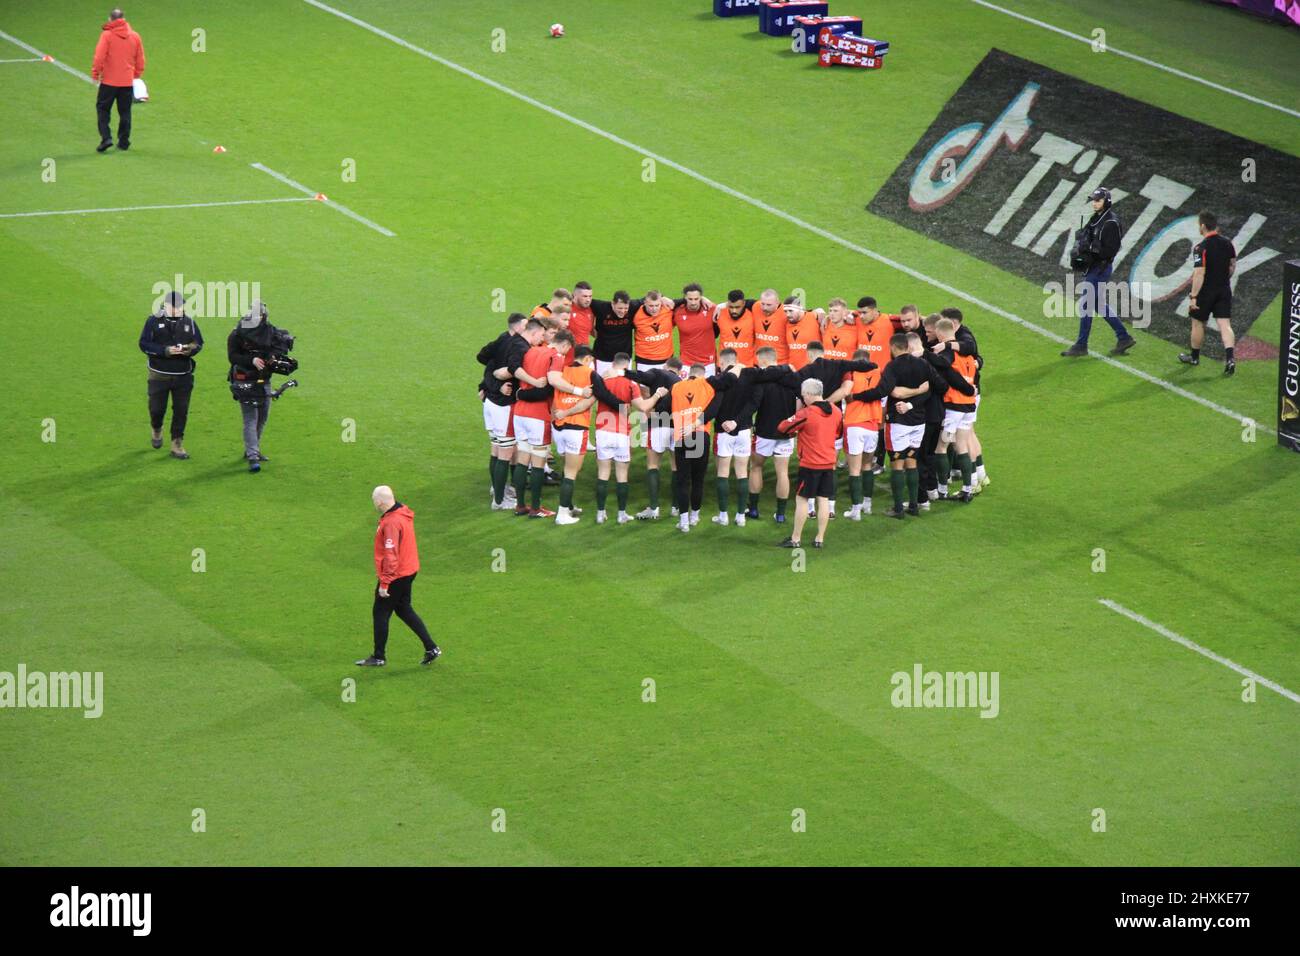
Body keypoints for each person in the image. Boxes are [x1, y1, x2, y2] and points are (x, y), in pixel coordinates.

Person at [356, 486, 441, 668]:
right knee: (403, 609)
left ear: (379, 501)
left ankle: (379, 656)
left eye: (374, 500)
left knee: (380, 612)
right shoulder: (403, 512)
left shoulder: (391, 522)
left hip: (396, 574)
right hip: (409, 569)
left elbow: (391, 553)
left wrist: (385, 583)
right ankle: (431, 647)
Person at [511, 324, 587, 517]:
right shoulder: (556, 356)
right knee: (537, 463)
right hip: (538, 415)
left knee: (522, 460)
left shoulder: (531, 351)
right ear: (565, 345)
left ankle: (520, 505)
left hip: (519, 413)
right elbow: (554, 379)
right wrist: (578, 391)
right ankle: (535, 509)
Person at [589, 354, 666, 524]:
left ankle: (600, 514)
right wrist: (658, 395)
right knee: (622, 475)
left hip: (603, 430)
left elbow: (590, 401)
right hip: (622, 433)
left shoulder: (603, 380)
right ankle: (621, 514)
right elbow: (644, 406)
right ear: (627, 365)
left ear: (613, 364)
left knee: (603, 473)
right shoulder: (631, 383)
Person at [1060, 187, 1136, 358]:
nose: (1094, 203)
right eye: (1094, 200)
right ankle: (1124, 337)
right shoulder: (1097, 218)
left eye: (1098, 200)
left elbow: (1112, 250)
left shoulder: (1111, 222)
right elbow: (1087, 237)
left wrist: (1094, 250)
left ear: (1106, 201)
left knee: (1086, 305)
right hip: (1093, 267)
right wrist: (1081, 243)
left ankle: (1081, 345)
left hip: (1100, 268)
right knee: (1097, 304)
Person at [775, 379, 843, 550]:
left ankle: (796, 538)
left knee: (802, 500)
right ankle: (819, 538)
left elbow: (783, 427)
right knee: (824, 499)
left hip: (810, 464)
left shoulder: (807, 413)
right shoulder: (836, 411)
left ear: (810, 394)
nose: (803, 398)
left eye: (804, 395)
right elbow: (838, 432)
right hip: (828, 462)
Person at [138, 290, 202, 459]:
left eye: (180, 306)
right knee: (157, 409)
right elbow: (143, 344)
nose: (178, 309)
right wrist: (165, 351)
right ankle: (157, 429)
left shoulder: (189, 322)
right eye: (175, 307)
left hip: (183, 375)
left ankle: (177, 444)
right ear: (166, 306)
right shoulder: (153, 321)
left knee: (181, 410)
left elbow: (199, 343)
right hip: (159, 375)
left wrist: (190, 349)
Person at [477, 312, 527, 509]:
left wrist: (487, 386)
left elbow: (486, 361)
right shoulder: (512, 345)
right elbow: (488, 362)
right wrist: (496, 386)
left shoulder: (502, 340)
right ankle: (499, 500)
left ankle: (499, 489)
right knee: (505, 450)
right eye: (526, 326)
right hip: (501, 405)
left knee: (498, 447)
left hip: (492, 401)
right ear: (516, 328)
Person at [626, 356, 685, 520]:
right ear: (680, 370)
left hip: (657, 424)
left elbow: (639, 376)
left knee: (653, 465)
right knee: (676, 467)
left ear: (666, 366)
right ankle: (676, 507)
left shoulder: (658, 373)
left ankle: (654, 509)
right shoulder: (682, 383)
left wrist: (622, 372)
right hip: (677, 426)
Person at [1179, 211, 1237, 376]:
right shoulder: (1228, 243)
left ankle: (1194, 357)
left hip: (1205, 291)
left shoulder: (1200, 248)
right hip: (1224, 289)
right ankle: (1230, 359)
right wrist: (1224, 279)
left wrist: (1194, 296)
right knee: (1225, 325)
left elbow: (1199, 274)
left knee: (1198, 323)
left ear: (1203, 226)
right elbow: (1232, 265)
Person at [707, 349, 761, 527]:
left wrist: (725, 422)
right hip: (744, 430)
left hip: (723, 431)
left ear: (721, 363)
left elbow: (715, 404)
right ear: (736, 361)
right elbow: (754, 404)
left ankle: (723, 516)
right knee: (742, 472)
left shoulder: (721, 379)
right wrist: (737, 422)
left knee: (722, 472)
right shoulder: (749, 376)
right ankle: (740, 516)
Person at [671, 365, 722, 533]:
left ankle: (684, 521)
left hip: (681, 436)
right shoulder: (707, 385)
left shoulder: (676, 387)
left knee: (683, 480)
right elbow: (713, 410)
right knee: (698, 479)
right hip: (700, 435)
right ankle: (695, 516)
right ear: (702, 375)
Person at [227, 303, 276, 473]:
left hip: (263, 380)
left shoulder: (269, 332)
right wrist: (252, 360)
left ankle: (252, 449)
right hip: (244, 380)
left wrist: (272, 359)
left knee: (262, 416)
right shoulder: (237, 334)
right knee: (250, 418)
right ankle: (253, 456)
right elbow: (232, 357)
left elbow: (273, 349)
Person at [91, 9, 145, 153]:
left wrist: (96, 73)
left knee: (103, 110)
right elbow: (140, 58)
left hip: (109, 82)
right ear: (124, 19)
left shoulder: (107, 35)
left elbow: (99, 57)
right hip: (127, 82)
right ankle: (124, 141)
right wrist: (137, 74)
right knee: (125, 112)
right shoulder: (135, 36)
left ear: (110, 19)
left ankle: (106, 138)